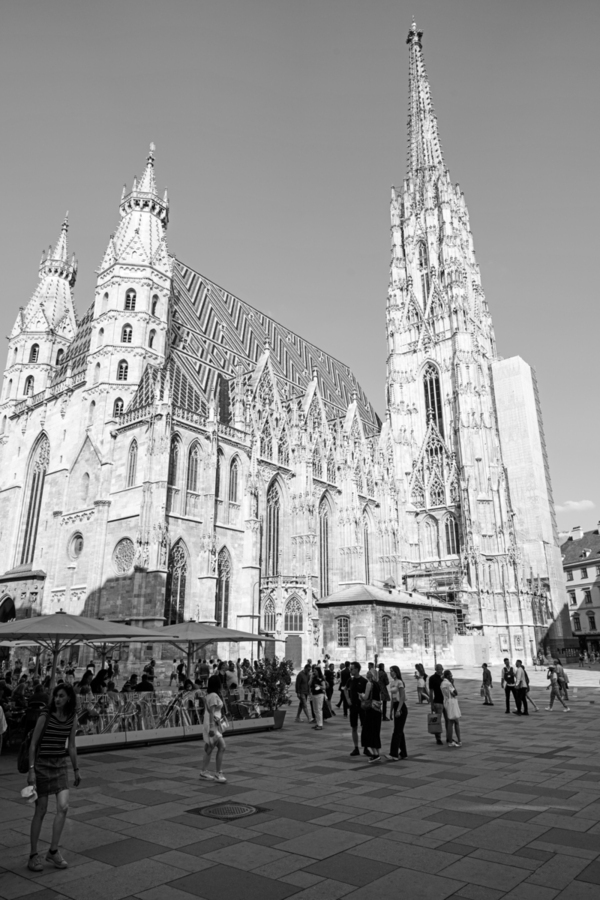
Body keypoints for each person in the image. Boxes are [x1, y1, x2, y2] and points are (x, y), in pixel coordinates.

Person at [26, 684, 80, 872]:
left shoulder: (72, 718)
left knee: (63, 807)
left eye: (61, 696)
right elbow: (33, 745)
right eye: (56, 696)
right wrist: (31, 770)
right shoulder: (45, 716)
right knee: (40, 810)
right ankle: (33, 855)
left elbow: (71, 745)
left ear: (69, 699)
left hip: (60, 765)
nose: (57, 699)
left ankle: (53, 850)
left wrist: (76, 768)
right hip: (42, 765)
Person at [199, 674, 227, 783]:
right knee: (222, 746)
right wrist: (211, 727)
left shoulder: (209, 695)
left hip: (210, 723)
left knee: (210, 747)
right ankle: (218, 773)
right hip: (213, 724)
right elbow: (212, 712)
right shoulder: (214, 695)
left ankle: (204, 771)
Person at [360, 668, 382, 762]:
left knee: (368, 731)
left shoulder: (369, 683)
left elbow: (366, 697)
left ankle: (375, 754)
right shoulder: (377, 684)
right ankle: (376, 753)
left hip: (371, 710)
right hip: (377, 709)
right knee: (375, 731)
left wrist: (361, 695)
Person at [345, 662, 367, 756]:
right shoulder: (350, 680)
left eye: (352, 668)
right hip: (353, 706)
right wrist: (348, 699)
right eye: (350, 668)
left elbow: (368, 694)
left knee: (364, 727)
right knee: (354, 727)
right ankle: (356, 748)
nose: (350, 670)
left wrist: (363, 699)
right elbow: (345, 689)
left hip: (362, 707)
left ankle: (366, 747)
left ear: (357, 669)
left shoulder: (364, 681)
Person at [386, 666, 407, 761]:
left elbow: (402, 697)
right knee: (399, 731)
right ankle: (403, 752)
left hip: (401, 707)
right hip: (395, 706)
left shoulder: (399, 682)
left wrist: (398, 710)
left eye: (393, 671)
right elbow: (392, 698)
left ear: (397, 672)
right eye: (390, 671)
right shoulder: (392, 683)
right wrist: (390, 711)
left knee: (397, 732)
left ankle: (394, 754)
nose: (391, 673)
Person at [441, 669, 461, 747]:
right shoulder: (448, 683)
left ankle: (450, 740)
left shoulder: (442, 683)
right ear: (447, 676)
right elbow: (455, 693)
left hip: (446, 702)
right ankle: (457, 741)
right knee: (455, 722)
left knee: (450, 722)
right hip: (451, 703)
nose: (452, 676)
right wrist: (453, 683)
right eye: (450, 675)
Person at [428, 663, 447, 747]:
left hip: (446, 702)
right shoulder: (432, 678)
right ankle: (438, 738)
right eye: (438, 669)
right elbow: (431, 692)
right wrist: (431, 704)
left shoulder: (445, 678)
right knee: (437, 721)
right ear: (435, 669)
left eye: (441, 669)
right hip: (438, 702)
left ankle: (449, 736)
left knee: (448, 720)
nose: (440, 670)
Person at [309, 665, 326, 730]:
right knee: (315, 710)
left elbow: (324, 687)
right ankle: (318, 723)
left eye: (315, 671)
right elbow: (309, 684)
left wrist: (319, 686)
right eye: (314, 671)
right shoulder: (313, 678)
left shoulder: (321, 678)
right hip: (314, 694)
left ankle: (320, 724)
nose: (314, 672)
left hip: (319, 695)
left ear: (318, 671)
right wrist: (311, 678)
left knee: (319, 709)